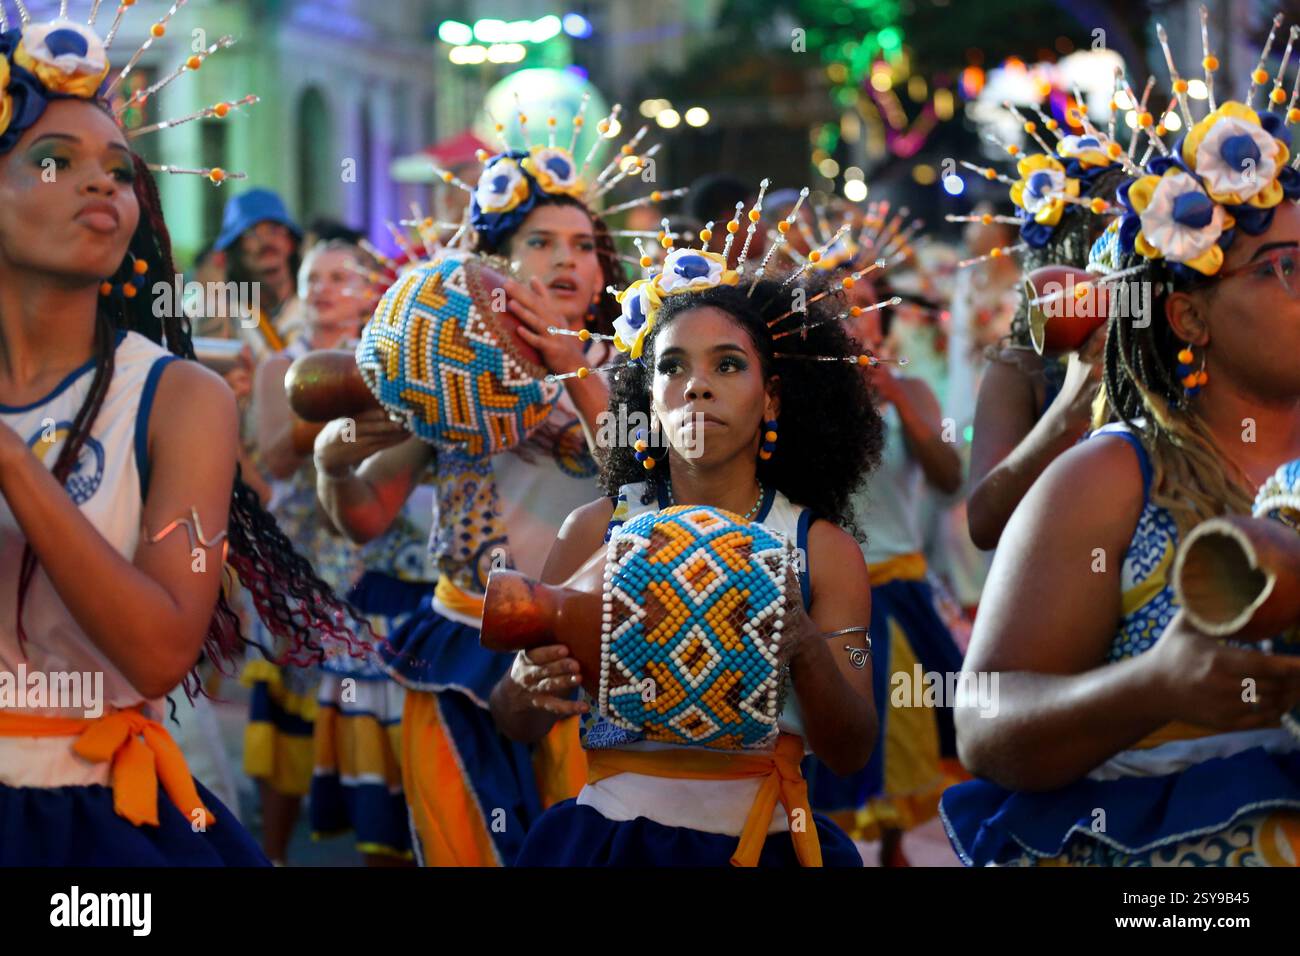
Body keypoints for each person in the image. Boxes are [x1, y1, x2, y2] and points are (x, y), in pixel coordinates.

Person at [0, 14, 363, 865]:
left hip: (88, 811)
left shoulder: (176, 397)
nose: (102, 188)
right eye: (56, 162)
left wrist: (14, 465)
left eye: (119, 171)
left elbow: (161, 649)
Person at [942, 86, 1300, 865]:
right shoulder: (1111, 474)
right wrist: (1155, 685)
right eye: (1286, 269)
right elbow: (982, 723)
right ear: (1189, 318)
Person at [491, 249, 884, 865]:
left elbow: (853, 748)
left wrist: (804, 643)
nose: (697, 385)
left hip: (769, 843)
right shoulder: (593, 529)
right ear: (649, 400)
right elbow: (516, 721)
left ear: (772, 399)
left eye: (727, 365)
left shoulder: (824, 552)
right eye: (673, 367)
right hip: (610, 842)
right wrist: (523, 685)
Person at [314, 140, 633, 865]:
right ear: (496, 267)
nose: (566, 260)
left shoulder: (638, 370)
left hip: (580, 657)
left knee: (582, 852)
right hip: (460, 644)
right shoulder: (445, 368)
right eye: (541, 241)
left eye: (584, 245)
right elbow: (365, 514)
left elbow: (644, 479)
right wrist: (333, 466)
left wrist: (570, 367)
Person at [803, 272, 965, 866]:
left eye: (864, 305)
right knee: (823, 735)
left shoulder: (910, 388)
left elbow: (948, 477)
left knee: (911, 734)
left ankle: (893, 849)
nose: (851, 316)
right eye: (834, 307)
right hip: (820, 589)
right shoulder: (797, 393)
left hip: (898, 587)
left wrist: (894, 395)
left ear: (883, 317)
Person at [964, 134, 1128, 551]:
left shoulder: (1169, 341)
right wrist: (1067, 411)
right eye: (1106, 234)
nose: (1127, 253)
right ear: (1066, 252)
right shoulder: (1021, 366)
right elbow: (983, 524)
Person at [215, 187, 304, 354]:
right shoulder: (222, 314)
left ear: (290, 242)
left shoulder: (316, 306)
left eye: (274, 229)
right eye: (251, 232)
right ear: (236, 251)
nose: (266, 240)